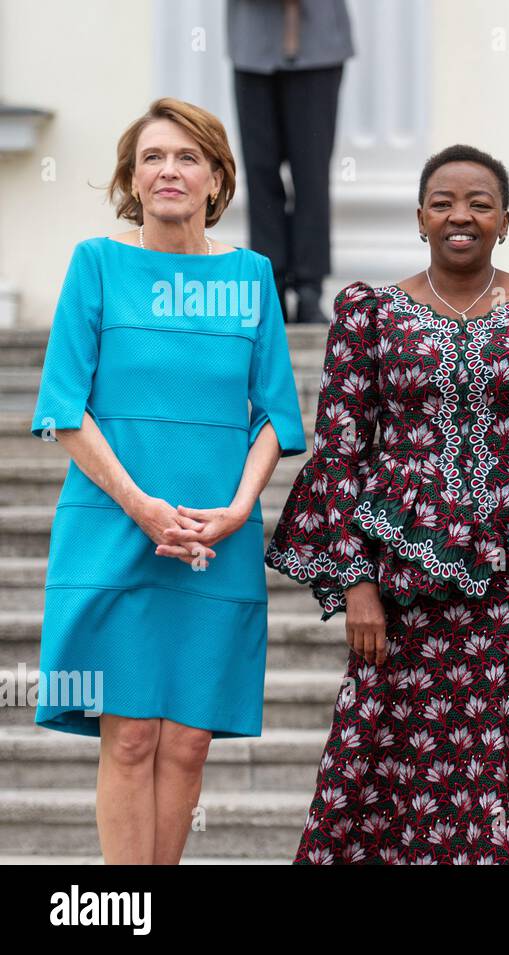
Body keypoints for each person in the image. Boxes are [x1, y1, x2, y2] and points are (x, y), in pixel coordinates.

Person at [266, 144, 509, 864]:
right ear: (420, 218)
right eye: (444, 203)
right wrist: (355, 581)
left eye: (480, 204)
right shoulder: (371, 315)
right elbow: (342, 452)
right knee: (392, 766)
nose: (462, 216)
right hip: (401, 596)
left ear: (506, 221)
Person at [30, 97, 305, 863]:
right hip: (113, 525)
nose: (169, 170)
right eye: (153, 157)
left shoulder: (252, 277)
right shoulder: (97, 265)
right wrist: (143, 508)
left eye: (188, 157)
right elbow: (64, 410)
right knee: (129, 737)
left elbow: (277, 416)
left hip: (215, 539)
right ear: (132, 178)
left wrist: (239, 508)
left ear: (217, 178)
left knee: (186, 743)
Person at [227, 0, 353, 323]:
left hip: (319, 46)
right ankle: (272, 286)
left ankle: (310, 289)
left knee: (312, 175)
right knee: (260, 173)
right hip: (252, 46)